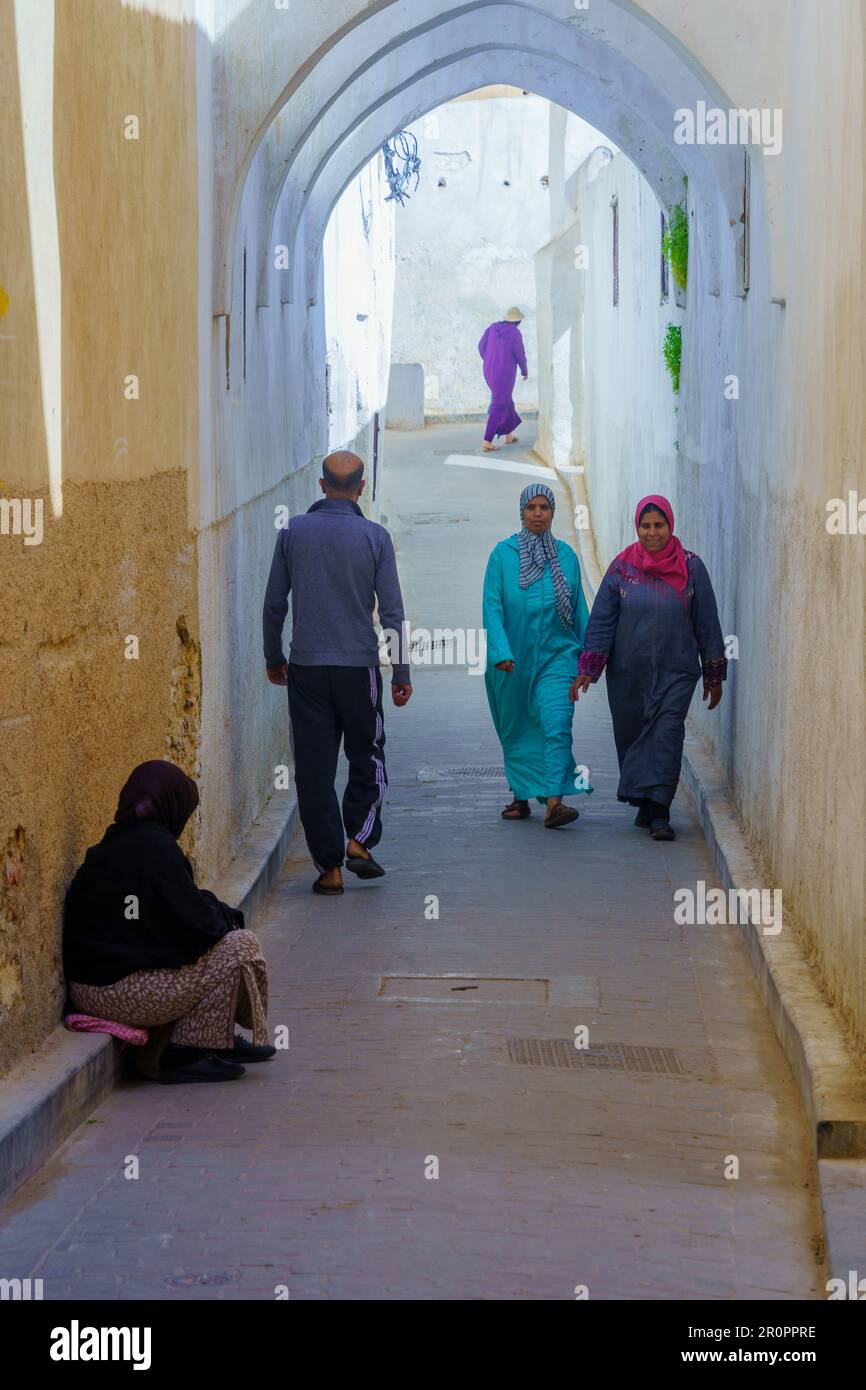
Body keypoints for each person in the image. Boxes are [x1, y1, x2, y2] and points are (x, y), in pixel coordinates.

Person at [63, 760, 274, 1084]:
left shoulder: (107, 848)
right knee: (239, 945)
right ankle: (185, 1052)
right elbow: (199, 929)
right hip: (118, 993)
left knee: (216, 947)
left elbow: (154, 922)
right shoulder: (157, 849)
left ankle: (216, 1039)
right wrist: (221, 914)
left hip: (87, 990)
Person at [263, 450, 413, 895]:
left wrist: (274, 657)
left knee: (313, 768)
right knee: (367, 755)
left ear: (321, 484)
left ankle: (328, 869)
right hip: (359, 670)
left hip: (306, 668)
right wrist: (401, 671)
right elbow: (392, 611)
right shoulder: (375, 537)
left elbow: (275, 604)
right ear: (361, 487)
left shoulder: (293, 531)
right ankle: (359, 840)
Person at [572, 495, 726, 840]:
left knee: (667, 735)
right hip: (628, 676)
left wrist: (713, 674)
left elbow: (708, 623)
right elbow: (602, 622)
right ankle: (645, 802)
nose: (652, 532)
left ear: (671, 526)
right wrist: (588, 668)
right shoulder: (621, 568)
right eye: (646, 526)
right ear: (637, 527)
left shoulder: (692, 568)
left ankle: (660, 811)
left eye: (659, 526)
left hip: (678, 673)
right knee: (633, 736)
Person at [483, 482, 592, 827]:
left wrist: (587, 664)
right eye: (532, 507)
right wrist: (499, 651)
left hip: (558, 657)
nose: (538, 513)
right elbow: (492, 607)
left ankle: (555, 803)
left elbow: (580, 612)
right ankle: (520, 796)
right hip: (512, 661)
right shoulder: (502, 555)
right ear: (522, 512)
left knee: (557, 723)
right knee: (517, 728)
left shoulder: (567, 558)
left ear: (553, 513)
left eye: (545, 507)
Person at [478, 307, 528, 451]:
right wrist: (524, 370)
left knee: (506, 401)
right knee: (499, 403)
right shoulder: (515, 334)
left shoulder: (492, 328)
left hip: (489, 371)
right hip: (505, 374)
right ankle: (487, 441)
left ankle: (509, 435)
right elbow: (520, 354)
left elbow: (481, 347)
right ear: (518, 321)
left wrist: (489, 360)